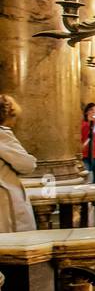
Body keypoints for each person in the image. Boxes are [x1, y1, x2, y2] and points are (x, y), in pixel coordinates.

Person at [0, 96, 37, 233]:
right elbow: (27, 165)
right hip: (5, 201)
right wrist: (31, 159)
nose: (15, 123)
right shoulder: (2, 135)